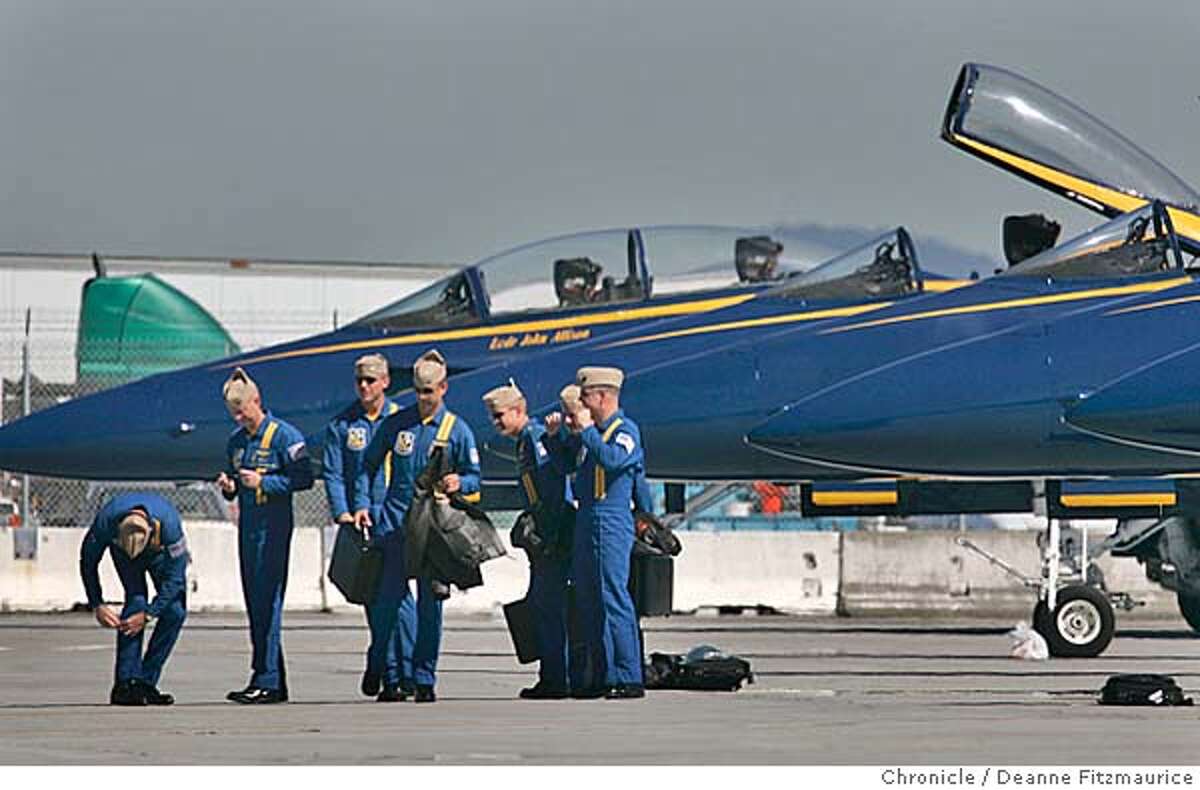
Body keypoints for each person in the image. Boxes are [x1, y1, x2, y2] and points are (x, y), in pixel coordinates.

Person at [354, 349, 480, 703]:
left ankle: (423, 678)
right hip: (394, 523)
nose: (423, 399)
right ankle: (387, 670)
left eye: (429, 392)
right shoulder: (398, 424)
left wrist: (461, 483)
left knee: (430, 606)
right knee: (386, 601)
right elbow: (368, 465)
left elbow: (475, 478)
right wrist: (363, 504)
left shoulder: (458, 431)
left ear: (442, 389)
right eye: (418, 392)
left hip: (433, 531)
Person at [216, 367, 314, 704]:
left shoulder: (286, 437)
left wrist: (266, 483)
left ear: (257, 400)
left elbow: (304, 479)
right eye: (234, 412)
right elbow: (233, 481)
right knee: (255, 603)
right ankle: (272, 677)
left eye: (243, 409)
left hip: (274, 529)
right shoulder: (236, 442)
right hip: (248, 530)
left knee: (268, 602)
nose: (239, 417)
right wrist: (229, 488)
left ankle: (266, 679)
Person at [323, 353, 414, 702]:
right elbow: (333, 473)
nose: (364, 386)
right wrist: (343, 512)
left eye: (371, 380)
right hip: (362, 525)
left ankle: (404, 671)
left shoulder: (402, 422)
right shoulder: (344, 425)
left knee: (401, 600)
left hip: (397, 521)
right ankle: (388, 674)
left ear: (386, 382)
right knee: (374, 599)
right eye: (360, 380)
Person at [554, 366, 646, 699]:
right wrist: (558, 439)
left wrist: (588, 432)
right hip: (587, 517)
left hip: (612, 518)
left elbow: (613, 460)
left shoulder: (625, 431)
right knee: (587, 597)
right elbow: (568, 467)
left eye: (586, 397)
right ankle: (598, 674)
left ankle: (629, 674)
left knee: (614, 597)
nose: (582, 404)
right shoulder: (587, 434)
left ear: (602, 396)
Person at [484, 381, 574, 699]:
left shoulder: (536, 439)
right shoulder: (523, 442)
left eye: (499, 416)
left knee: (549, 606)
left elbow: (553, 487)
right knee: (541, 604)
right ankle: (551, 674)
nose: (495, 423)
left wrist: (545, 528)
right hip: (543, 531)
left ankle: (556, 678)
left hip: (553, 533)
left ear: (519, 410)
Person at [79, 493, 188, 706]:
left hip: (158, 555)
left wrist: (149, 615)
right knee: (136, 600)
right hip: (122, 554)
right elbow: (88, 562)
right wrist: (97, 604)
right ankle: (125, 683)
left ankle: (145, 682)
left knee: (175, 611)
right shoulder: (105, 522)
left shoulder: (171, 527)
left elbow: (176, 580)